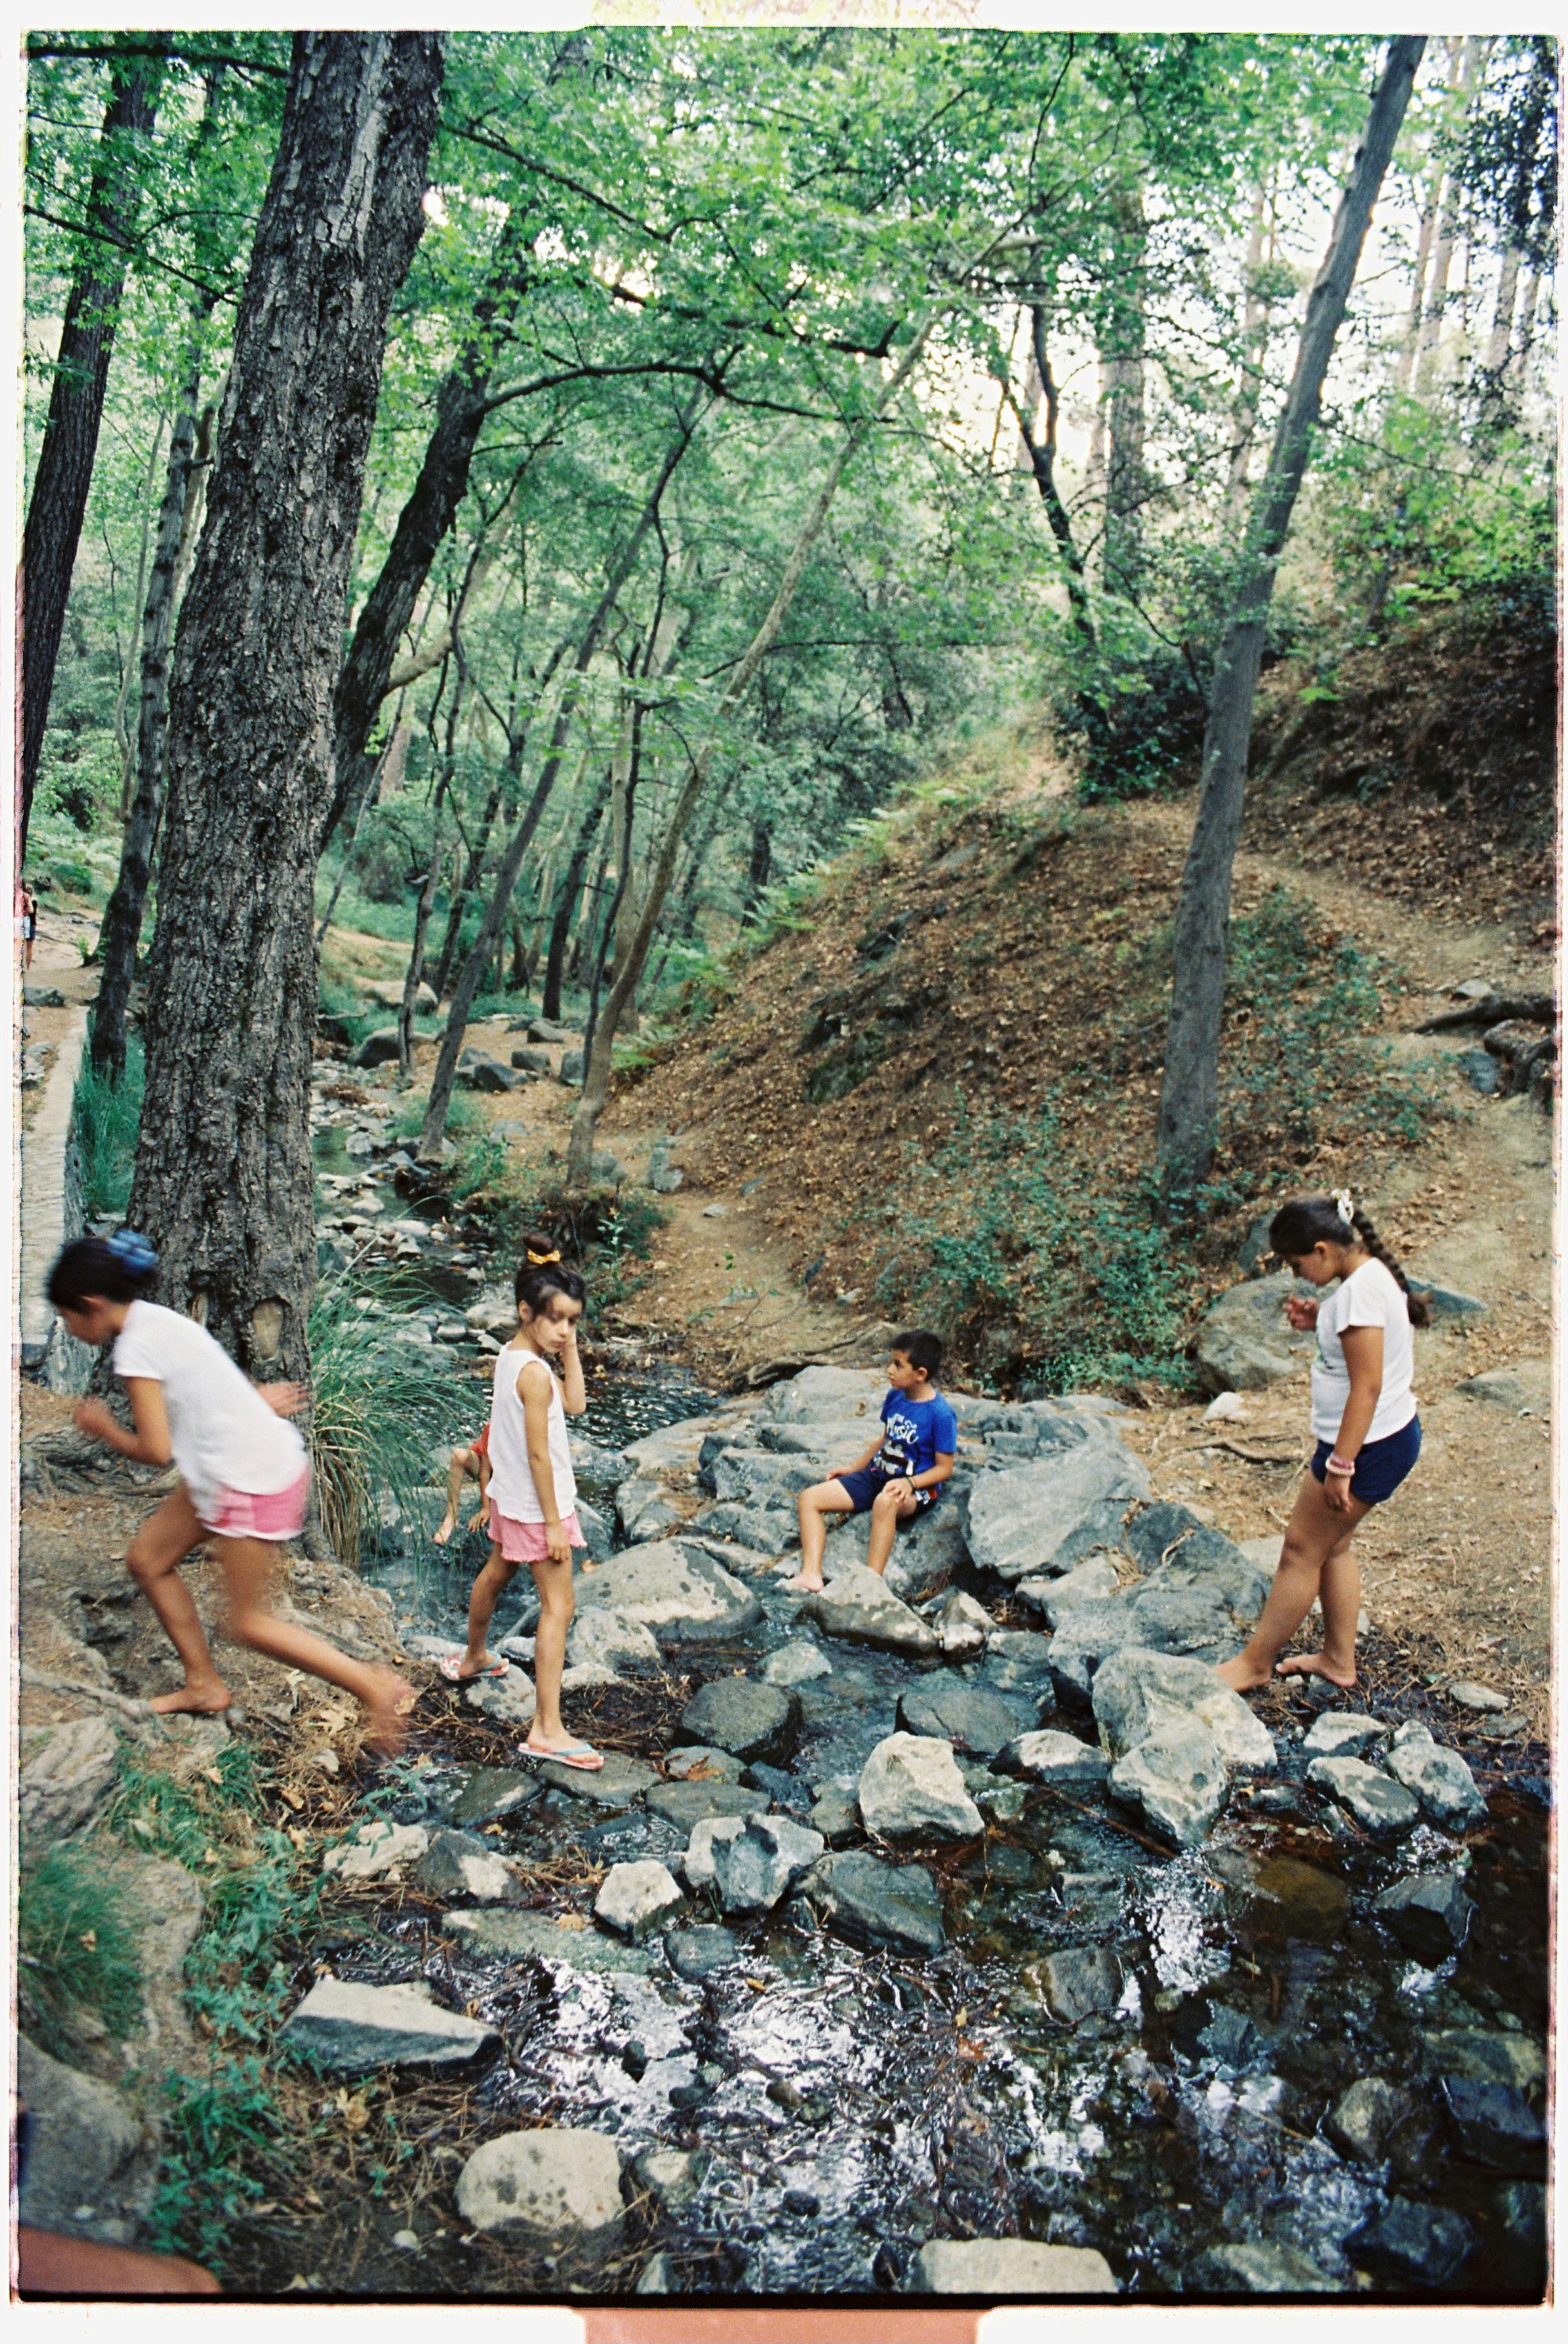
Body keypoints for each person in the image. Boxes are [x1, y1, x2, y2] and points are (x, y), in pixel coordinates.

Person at [48, 1232, 416, 1751]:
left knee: (247, 1620)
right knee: (148, 1559)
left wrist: (103, 1427)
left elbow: (155, 1451)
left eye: (65, 1317)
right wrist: (252, 1404)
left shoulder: (133, 1350)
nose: (65, 1327)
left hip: (248, 1478)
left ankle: (371, 1685)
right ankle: (204, 1684)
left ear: (89, 1305)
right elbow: (208, 1378)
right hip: (228, 1466)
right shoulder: (158, 1318)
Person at [1217, 1190, 1426, 1696]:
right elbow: (1360, 1342)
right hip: (1382, 1438)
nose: (1294, 1275)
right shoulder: (1367, 1275)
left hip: (1366, 1446)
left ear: (1321, 1250)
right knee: (1333, 1546)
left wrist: (1340, 1464)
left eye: (1294, 1264)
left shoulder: (1357, 1294)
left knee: (1299, 1550)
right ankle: (1337, 1659)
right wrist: (1321, 1321)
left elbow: (1366, 1386)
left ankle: (1254, 1664)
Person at [439, 1235, 603, 1770]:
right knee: (560, 1607)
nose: (564, 1331)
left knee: (496, 1571)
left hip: (510, 1497)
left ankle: (473, 1658)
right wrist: (556, 1525)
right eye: (555, 1320)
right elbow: (538, 1456)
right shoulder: (533, 1373)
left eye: (573, 1321)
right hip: (538, 1505)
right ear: (525, 1311)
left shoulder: (515, 1356)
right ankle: (546, 1729)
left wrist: (570, 1348)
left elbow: (575, 1404)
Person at [786, 1329, 957, 1594]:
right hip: (877, 1476)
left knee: (884, 1503)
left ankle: (870, 1583)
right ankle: (811, 1574)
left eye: (898, 1365)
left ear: (920, 1375)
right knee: (810, 1498)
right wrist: (854, 1468)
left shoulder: (941, 1415)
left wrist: (910, 1484)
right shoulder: (896, 1396)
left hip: (915, 1490)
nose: (889, 1370)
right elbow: (886, 1439)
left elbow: (945, 1469)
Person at [433, 1423, 491, 1546]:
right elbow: (484, 1472)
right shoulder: (497, 1424)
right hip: (488, 1467)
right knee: (459, 1455)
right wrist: (486, 1507)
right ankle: (451, 1517)